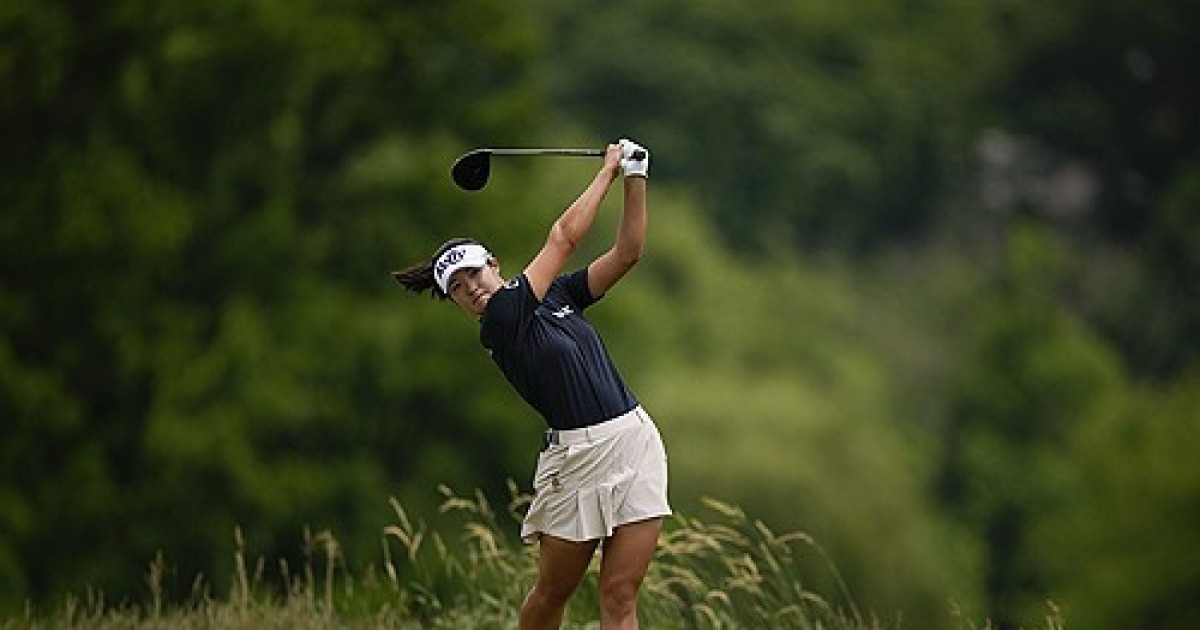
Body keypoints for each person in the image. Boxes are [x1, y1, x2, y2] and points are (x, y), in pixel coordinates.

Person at [392, 139, 670, 630]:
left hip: (634, 442)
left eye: (473, 273)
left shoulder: (558, 295)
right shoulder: (501, 321)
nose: (471, 288)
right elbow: (563, 236)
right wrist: (606, 171)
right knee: (552, 593)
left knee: (621, 594)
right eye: (457, 287)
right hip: (577, 463)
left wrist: (635, 178)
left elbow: (627, 254)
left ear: (493, 264)